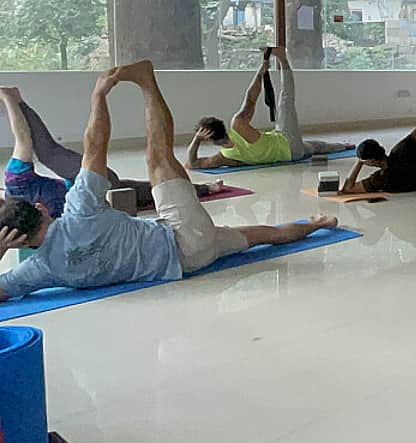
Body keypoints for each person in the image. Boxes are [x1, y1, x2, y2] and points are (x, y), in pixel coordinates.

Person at [0, 60, 337, 301]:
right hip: (183, 238)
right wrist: (98, 96)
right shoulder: (79, 211)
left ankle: (317, 222)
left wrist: (0, 249)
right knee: (158, 156)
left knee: (262, 235)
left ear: (17, 242)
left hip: (189, 262)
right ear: (41, 208)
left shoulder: (39, 271)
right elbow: (95, 147)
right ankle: (147, 79)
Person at [1, 86, 222, 215]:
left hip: (91, 182)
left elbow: (24, 139)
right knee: (136, 191)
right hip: (100, 196)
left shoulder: (16, 182)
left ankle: (202, 188)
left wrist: (11, 100)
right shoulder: (15, 220)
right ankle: (203, 188)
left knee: (49, 154)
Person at [187, 47, 351, 169]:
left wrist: (196, 139)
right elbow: (250, 99)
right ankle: (282, 58)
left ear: (208, 139)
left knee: (314, 146)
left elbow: (191, 164)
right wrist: (261, 71)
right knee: (285, 100)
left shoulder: (224, 158)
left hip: (293, 155)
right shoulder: (238, 125)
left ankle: (343, 146)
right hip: (287, 141)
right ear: (220, 124)